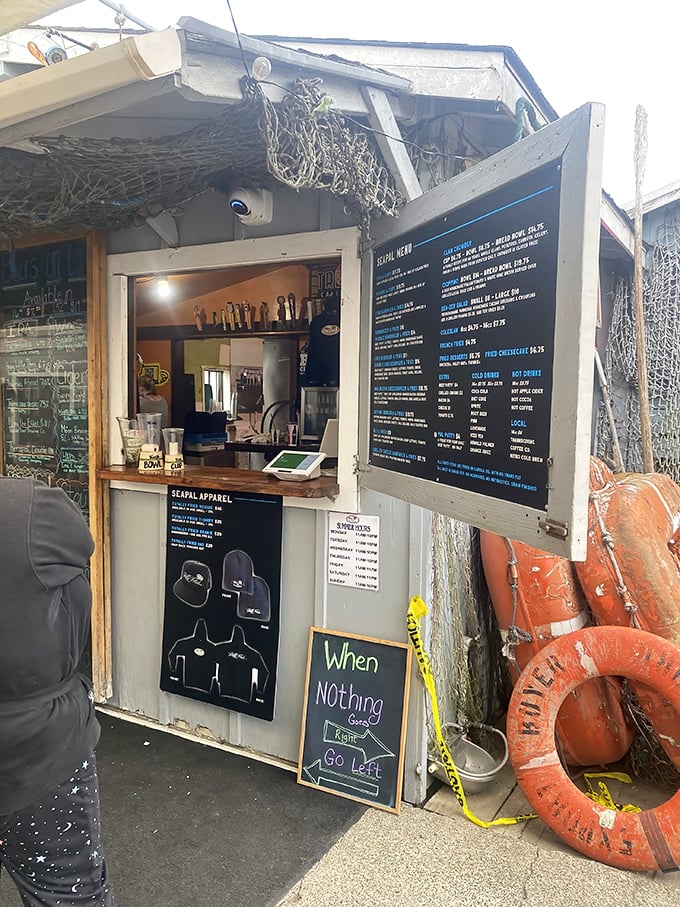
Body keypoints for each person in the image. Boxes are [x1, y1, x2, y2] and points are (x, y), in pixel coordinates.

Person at [0, 477, 115, 906]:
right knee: (69, 896)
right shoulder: (29, 508)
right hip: (42, 755)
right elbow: (80, 544)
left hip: (42, 743)